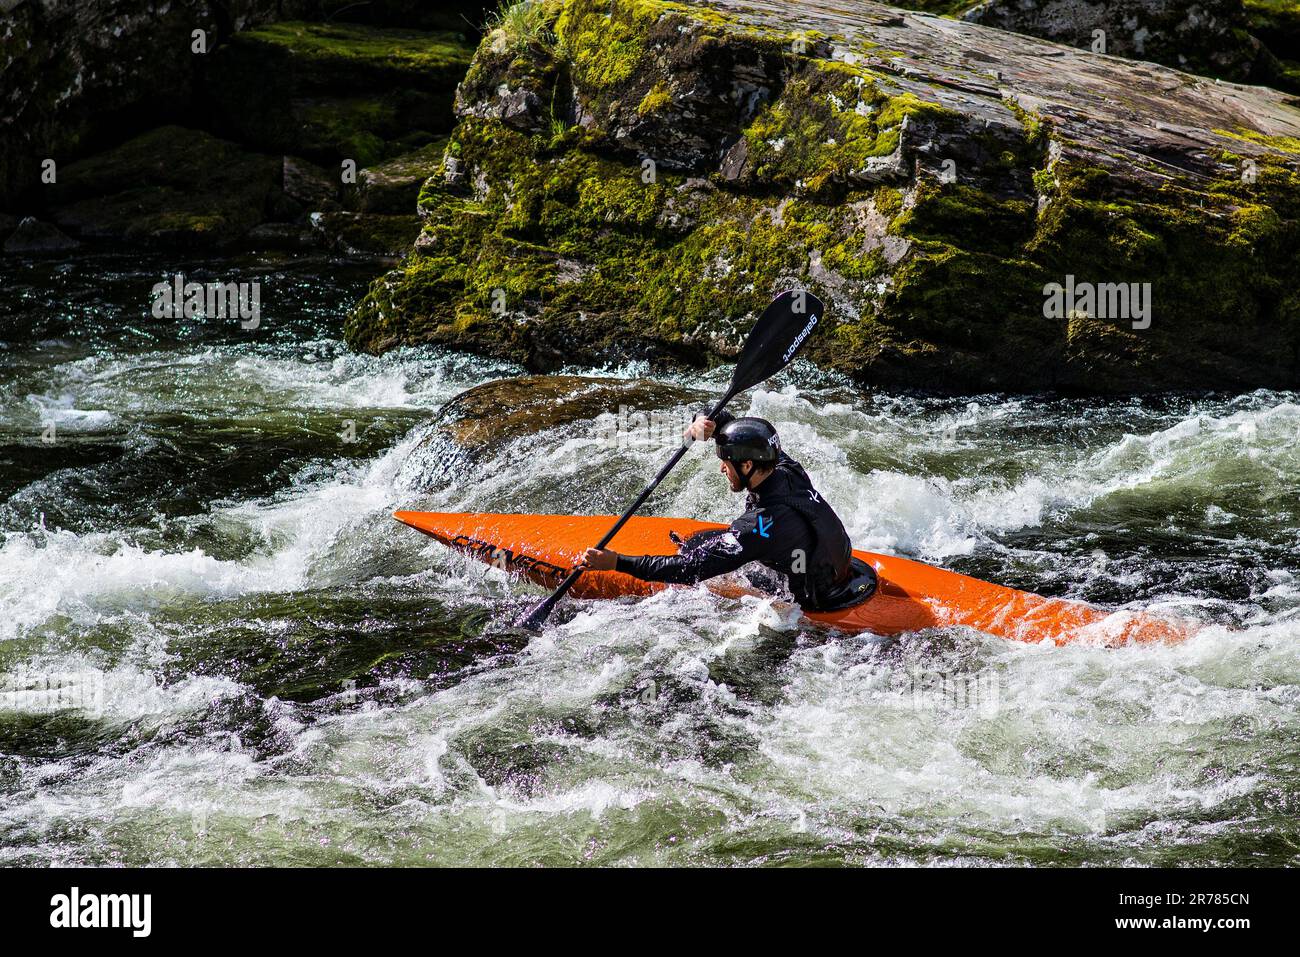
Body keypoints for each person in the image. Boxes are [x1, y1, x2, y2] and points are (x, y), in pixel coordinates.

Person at [582, 412, 876, 611]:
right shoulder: (786, 468)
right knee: (708, 543)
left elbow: (690, 570)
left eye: (726, 461)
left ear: (747, 466)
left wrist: (617, 562)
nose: (722, 467)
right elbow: (740, 429)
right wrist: (704, 422)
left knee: (695, 555)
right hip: (843, 574)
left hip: (813, 599)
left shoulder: (759, 526)